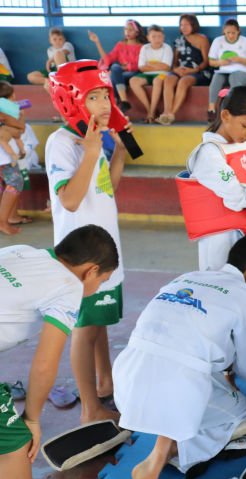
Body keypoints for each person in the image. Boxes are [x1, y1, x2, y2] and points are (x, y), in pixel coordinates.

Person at [112, 233, 246, 479]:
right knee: (239, 410)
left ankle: (166, 434)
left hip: (127, 382)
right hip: (178, 387)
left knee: (196, 367)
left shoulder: (188, 277)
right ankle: (169, 450)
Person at [0, 225, 118, 479]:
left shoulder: (24, 251)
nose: (98, 287)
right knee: (15, 445)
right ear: (91, 270)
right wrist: (33, 418)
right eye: (102, 280)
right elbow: (44, 364)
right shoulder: (69, 286)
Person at [45, 60, 133, 424]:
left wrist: (119, 154)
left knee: (99, 324)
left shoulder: (94, 138)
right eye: (93, 97)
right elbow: (69, 199)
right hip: (82, 257)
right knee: (84, 328)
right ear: (72, 100)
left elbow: (105, 189)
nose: (102, 105)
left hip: (105, 248)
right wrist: (92, 153)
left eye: (105, 97)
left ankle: (105, 380)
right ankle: (89, 408)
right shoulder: (62, 142)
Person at [183, 85, 246, 271]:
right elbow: (236, 193)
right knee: (221, 287)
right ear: (226, 116)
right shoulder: (209, 153)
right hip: (220, 239)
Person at [157, 14, 210, 125]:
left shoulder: (202, 39)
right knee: (168, 80)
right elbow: (175, 62)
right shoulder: (179, 40)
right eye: (181, 25)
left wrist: (193, 70)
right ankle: (166, 111)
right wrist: (176, 69)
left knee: (183, 81)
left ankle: (171, 114)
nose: (183, 27)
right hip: (181, 70)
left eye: (186, 25)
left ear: (193, 25)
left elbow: (206, 62)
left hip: (198, 71)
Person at [88, 19, 147, 112]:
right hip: (120, 74)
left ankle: (115, 103)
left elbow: (139, 65)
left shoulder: (142, 47)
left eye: (130, 29)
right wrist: (97, 42)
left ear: (137, 32)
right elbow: (108, 60)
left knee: (113, 75)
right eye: (126, 29)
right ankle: (124, 101)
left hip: (134, 74)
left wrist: (125, 67)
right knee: (114, 68)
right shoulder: (120, 45)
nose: (127, 32)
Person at [207, 19, 246, 124]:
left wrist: (239, 59)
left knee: (234, 79)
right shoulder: (218, 41)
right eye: (228, 33)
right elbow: (211, 62)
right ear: (224, 31)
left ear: (238, 31)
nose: (230, 35)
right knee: (216, 79)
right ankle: (211, 109)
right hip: (223, 70)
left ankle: (234, 110)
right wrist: (220, 62)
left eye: (233, 33)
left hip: (242, 70)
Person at [128, 25, 173, 124]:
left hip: (162, 74)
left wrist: (150, 64)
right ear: (148, 37)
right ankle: (149, 109)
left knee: (157, 81)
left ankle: (151, 113)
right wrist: (158, 65)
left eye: (159, 36)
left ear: (163, 37)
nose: (157, 39)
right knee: (133, 81)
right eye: (154, 36)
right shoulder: (145, 48)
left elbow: (166, 67)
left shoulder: (167, 48)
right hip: (147, 74)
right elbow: (141, 67)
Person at [0, 83, 25, 236]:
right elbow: (18, 131)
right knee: (15, 182)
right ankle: (2, 222)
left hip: (5, 157)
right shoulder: (7, 109)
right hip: (4, 157)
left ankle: (3, 221)